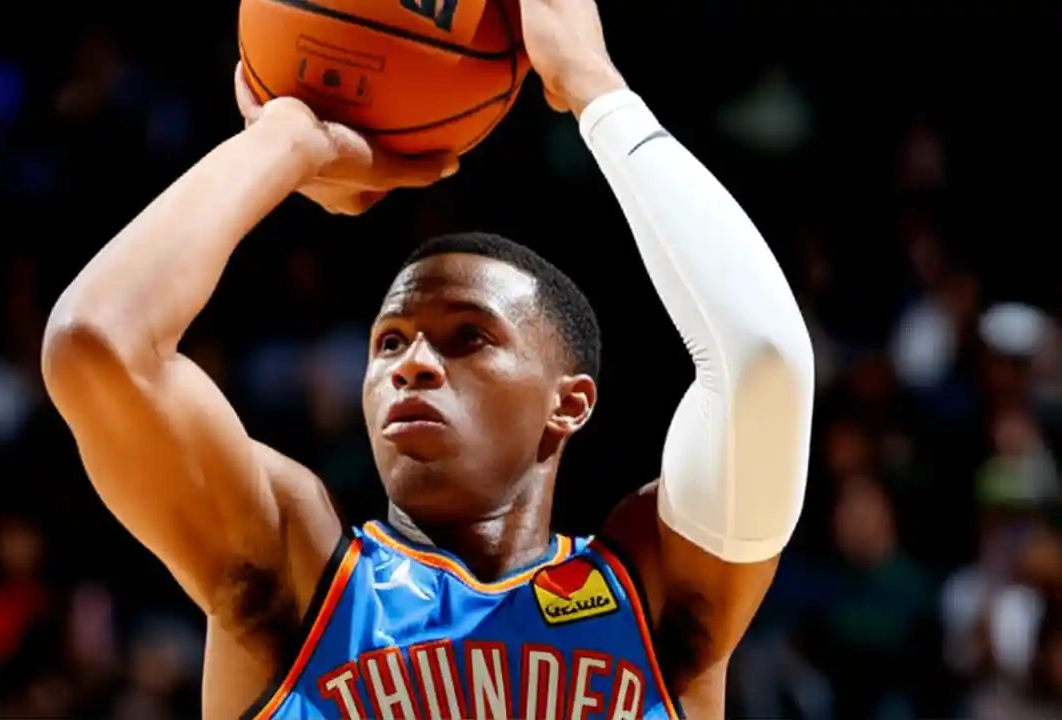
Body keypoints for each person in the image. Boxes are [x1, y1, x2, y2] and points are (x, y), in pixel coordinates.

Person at [41, 1, 815, 717]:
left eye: (468, 336)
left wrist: (594, 87)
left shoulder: (654, 598)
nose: (410, 365)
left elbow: (766, 361)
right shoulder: (297, 580)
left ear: (569, 402)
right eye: (388, 342)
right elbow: (96, 344)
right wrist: (288, 140)